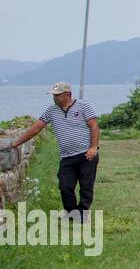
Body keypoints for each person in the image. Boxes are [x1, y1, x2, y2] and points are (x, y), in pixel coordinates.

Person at [1, 82, 100, 218]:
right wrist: (15, 143)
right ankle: (71, 213)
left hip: (86, 154)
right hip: (67, 156)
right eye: (53, 95)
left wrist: (93, 147)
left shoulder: (83, 106)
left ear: (68, 94)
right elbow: (36, 128)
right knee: (65, 186)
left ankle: (82, 214)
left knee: (86, 186)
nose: (54, 98)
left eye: (57, 95)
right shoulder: (51, 111)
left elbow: (94, 127)